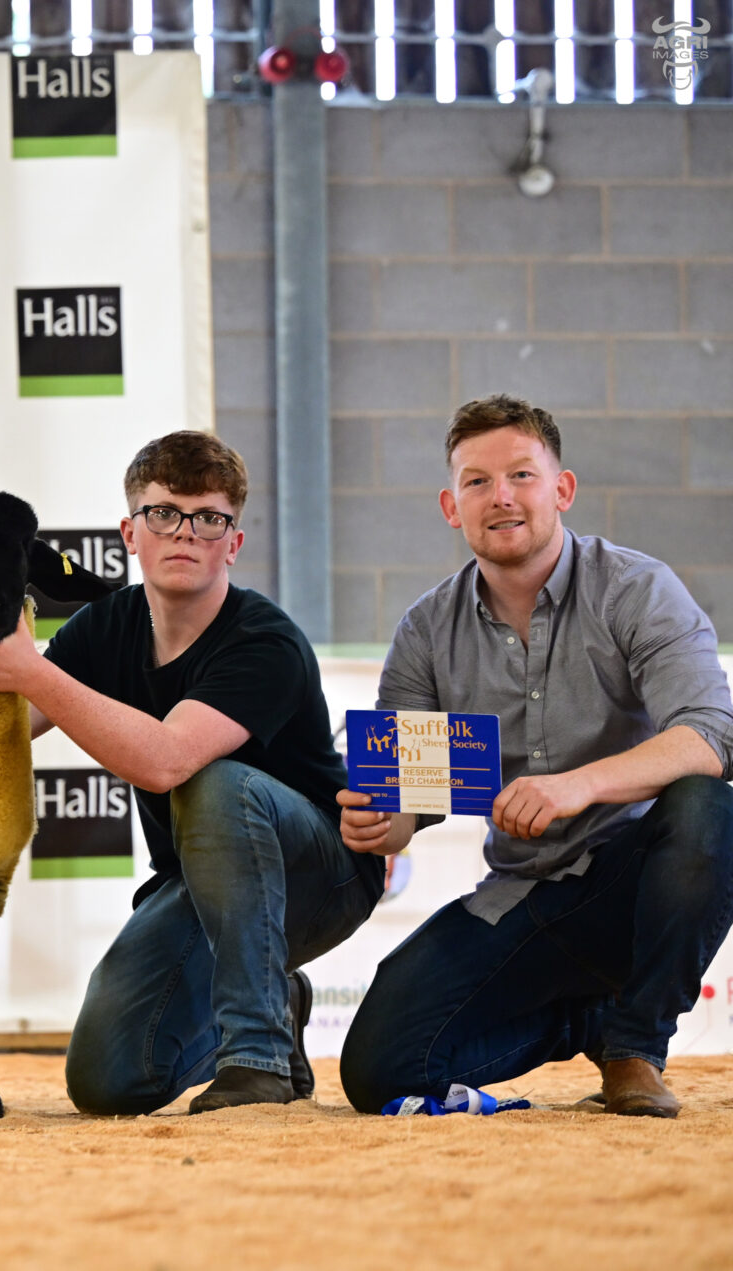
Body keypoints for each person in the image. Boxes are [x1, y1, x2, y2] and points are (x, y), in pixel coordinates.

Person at [0, 431, 377, 1115]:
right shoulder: (102, 627)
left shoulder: (267, 640)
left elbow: (164, 760)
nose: (186, 532)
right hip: (200, 883)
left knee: (216, 780)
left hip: (321, 878)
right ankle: (278, 999)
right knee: (107, 1080)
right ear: (130, 531)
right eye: (164, 513)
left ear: (232, 542)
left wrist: (31, 668)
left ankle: (258, 1057)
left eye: (209, 518)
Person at [337, 396, 733, 1118]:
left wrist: (576, 785)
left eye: (521, 474)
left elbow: (711, 733)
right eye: (477, 481)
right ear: (451, 506)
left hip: (634, 882)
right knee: (379, 1071)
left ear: (563, 489)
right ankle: (585, 1021)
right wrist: (378, 825)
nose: (502, 496)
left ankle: (635, 1046)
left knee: (709, 805)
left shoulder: (637, 588)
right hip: (521, 892)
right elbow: (409, 800)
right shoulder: (425, 629)